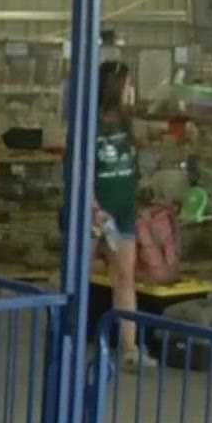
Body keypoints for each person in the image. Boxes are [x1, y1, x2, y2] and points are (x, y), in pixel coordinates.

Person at [89, 59, 154, 369]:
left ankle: (129, 347)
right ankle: (70, 334)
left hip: (123, 211)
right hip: (94, 214)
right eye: (128, 85)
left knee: (124, 277)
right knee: (80, 271)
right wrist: (93, 209)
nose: (132, 90)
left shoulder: (128, 124)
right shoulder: (90, 125)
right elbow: (78, 171)